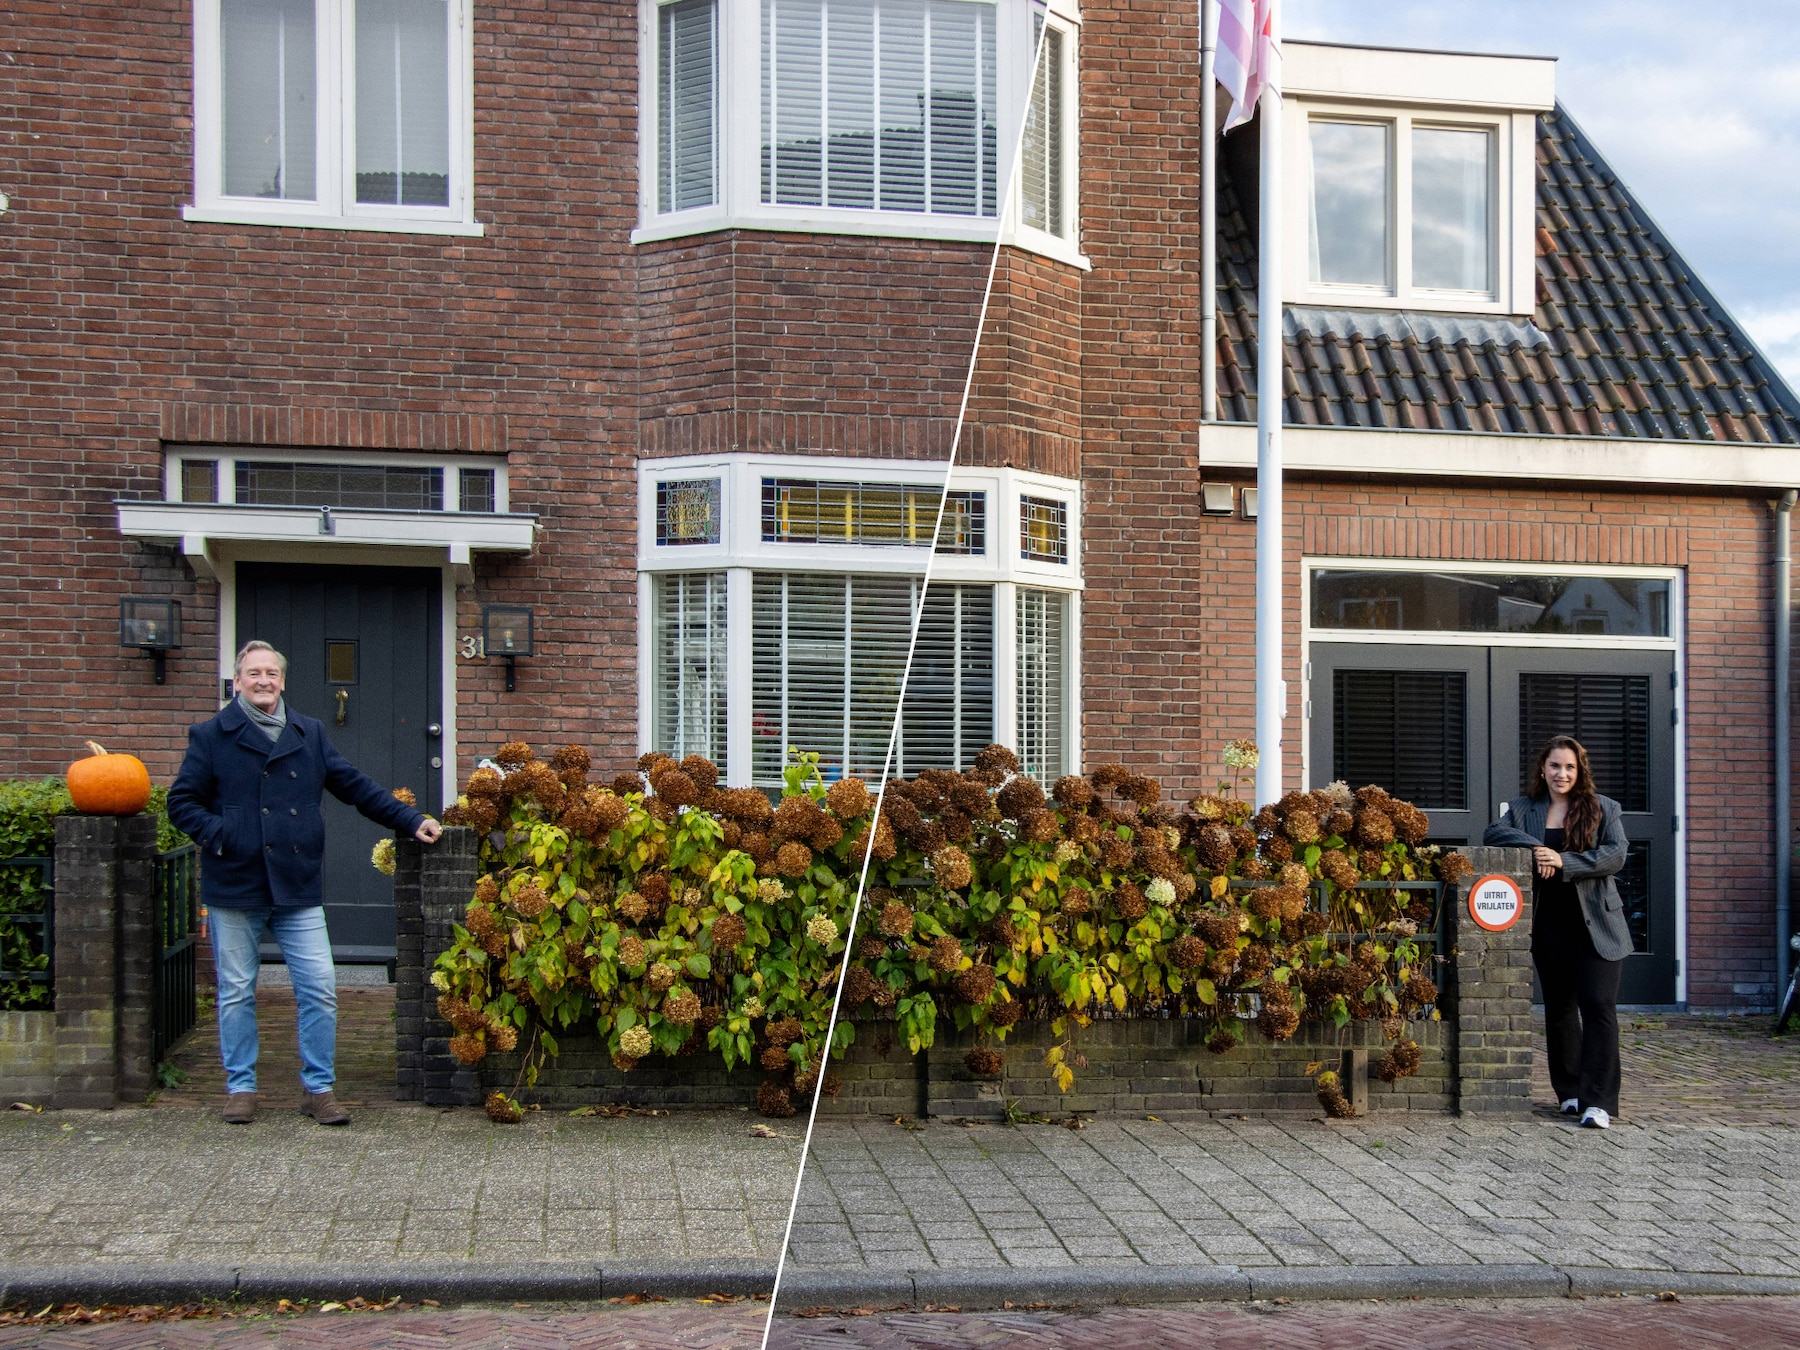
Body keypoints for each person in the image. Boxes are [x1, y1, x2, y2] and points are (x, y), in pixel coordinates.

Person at [168, 640, 442, 1126]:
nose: (263, 681)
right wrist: (222, 834)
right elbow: (182, 803)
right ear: (237, 682)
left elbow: (354, 786)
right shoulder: (210, 735)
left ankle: (319, 1089)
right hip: (235, 881)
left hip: (296, 884)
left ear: (283, 681)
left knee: (318, 986)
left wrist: (407, 819)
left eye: (271, 673)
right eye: (253, 673)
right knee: (235, 990)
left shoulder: (308, 733)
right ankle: (241, 1087)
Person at [1483, 735, 1632, 1129]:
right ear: (1542, 770)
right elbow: (1493, 834)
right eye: (1554, 766)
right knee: (1560, 1009)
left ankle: (1598, 1101)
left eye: (1569, 766)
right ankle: (1569, 1093)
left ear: (1579, 770)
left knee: (1598, 1005)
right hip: (1548, 925)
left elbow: (1615, 855)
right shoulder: (1522, 809)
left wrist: (1563, 861)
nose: (1561, 773)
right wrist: (1537, 849)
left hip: (1596, 923)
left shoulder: (1604, 809)